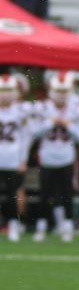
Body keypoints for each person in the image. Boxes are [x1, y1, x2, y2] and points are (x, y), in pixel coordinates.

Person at [30, 71, 79, 241]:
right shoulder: (42, 108)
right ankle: (41, 226)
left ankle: (67, 227)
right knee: (45, 194)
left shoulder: (75, 108)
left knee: (67, 194)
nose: (61, 95)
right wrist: (49, 123)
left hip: (66, 157)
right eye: (59, 91)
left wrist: (68, 125)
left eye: (64, 91)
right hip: (47, 157)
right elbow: (34, 132)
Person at [0, 74, 26, 242]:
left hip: (12, 159)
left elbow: (25, 137)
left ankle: (13, 224)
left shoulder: (20, 111)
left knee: (12, 195)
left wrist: (22, 159)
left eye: (8, 90)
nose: (5, 95)